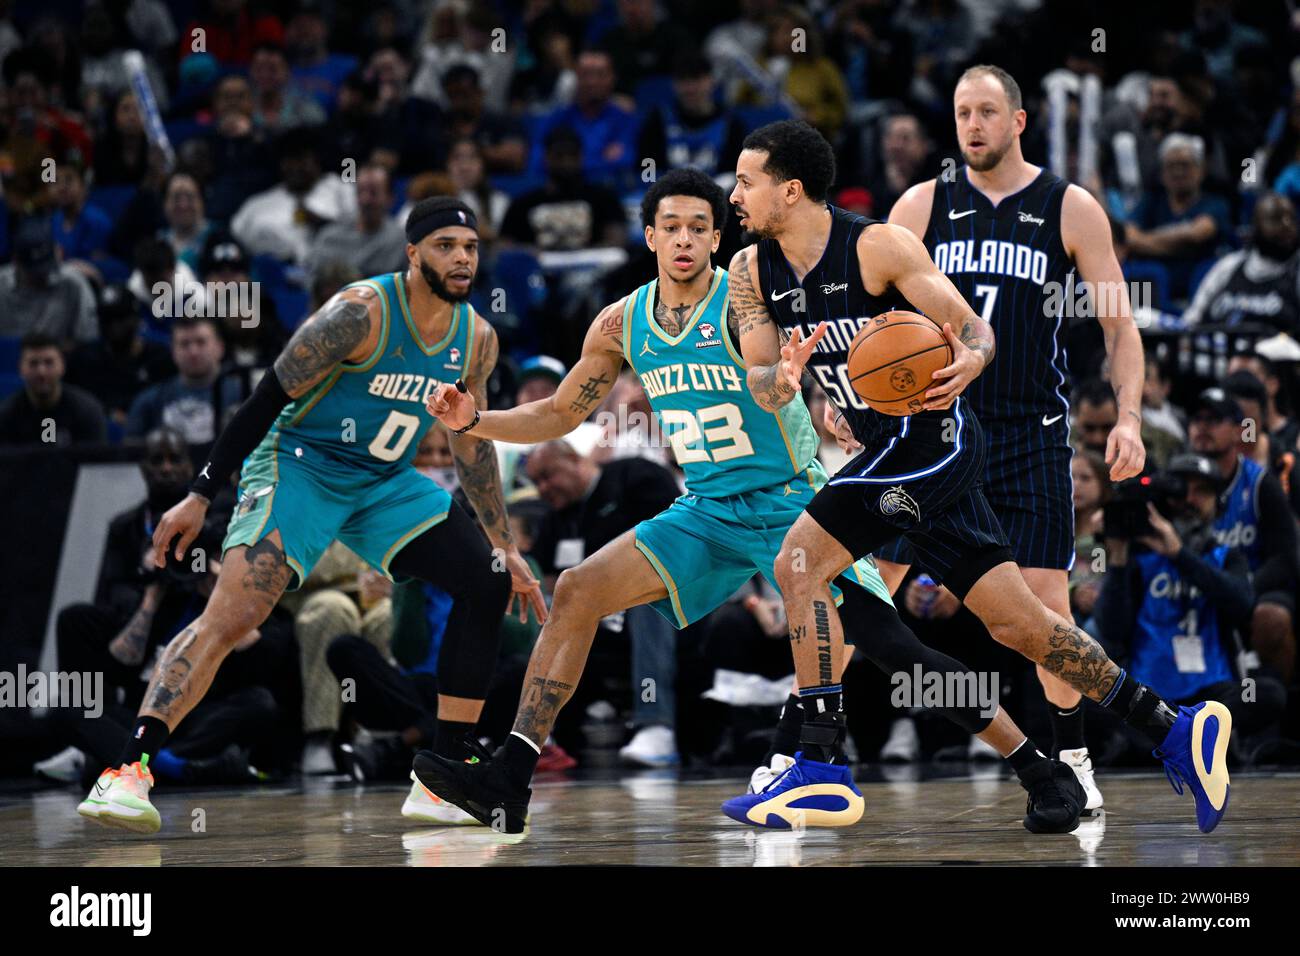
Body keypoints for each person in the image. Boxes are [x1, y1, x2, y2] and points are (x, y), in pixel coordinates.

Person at [418, 168, 1089, 835]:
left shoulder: (750, 304)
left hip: (794, 507)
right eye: (671, 227)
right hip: (707, 510)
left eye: (699, 227)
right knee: (577, 589)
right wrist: (476, 419)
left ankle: (1035, 764)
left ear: (717, 239)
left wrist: (820, 396)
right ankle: (510, 777)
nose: (684, 239)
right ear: (648, 235)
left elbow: (824, 358)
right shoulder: (620, 322)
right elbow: (563, 411)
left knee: (891, 646)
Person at [726, 117, 1233, 834]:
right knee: (1021, 625)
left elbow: (973, 329)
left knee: (800, 561)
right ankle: (1171, 728)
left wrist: (970, 358)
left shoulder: (877, 247)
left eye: (746, 181)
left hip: (934, 440)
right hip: (885, 448)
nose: (735, 195)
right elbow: (764, 385)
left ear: (791, 190)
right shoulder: (750, 272)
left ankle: (817, 765)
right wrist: (782, 380)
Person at [78, 197, 545, 834]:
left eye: (469, 248)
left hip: (382, 480)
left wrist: (505, 544)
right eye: (445, 246)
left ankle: (446, 773)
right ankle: (125, 772)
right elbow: (267, 396)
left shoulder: (477, 340)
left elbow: (469, 442)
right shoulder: (360, 313)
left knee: (487, 578)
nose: (462, 259)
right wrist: (200, 492)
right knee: (235, 614)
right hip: (299, 463)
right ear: (412, 254)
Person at [870, 64, 1149, 812]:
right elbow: (873, 327)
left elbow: (1120, 325)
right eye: (963, 112)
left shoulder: (1072, 206)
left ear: (1019, 120)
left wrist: (1128, 417)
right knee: (868, 588)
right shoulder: (920, 204)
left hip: (1028, 431)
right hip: (932, 431)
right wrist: (846, 397)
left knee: (1045, 609)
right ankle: (807, 744)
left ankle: (1074, 758)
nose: (973, 125)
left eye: (987, 111)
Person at [1096, 452, 1286, 749]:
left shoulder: (1224, 555)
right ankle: (1199, 742)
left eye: (1202, 492)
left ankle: (1169, 742)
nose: (1190, 500)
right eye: (1182, 490)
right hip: (1149, 692)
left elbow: (1242, 604)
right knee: (1085, 694)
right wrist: (1118, 560)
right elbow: (1111, 629)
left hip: (1213, 691)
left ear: (1218, 503)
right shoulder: (1139, 557)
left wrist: (1179, 555)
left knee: (1267, 693)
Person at [1188, 387, 1299, 684]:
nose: (1202, 427)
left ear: (1239, 431)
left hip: (1253, 586)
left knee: (1271, 618)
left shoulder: (1261, 484)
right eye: (1197, 419)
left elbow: (1286, 558)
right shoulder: (1177, 482)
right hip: (1190, 587)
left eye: (1214, 420)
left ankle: (1272, 710)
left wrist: (1243, 587)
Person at [1182, 192, 1300, 335]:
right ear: (1256, 226)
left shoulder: (1296, 272)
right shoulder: (1229, 266)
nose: (1286, 225)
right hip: (1220, 353)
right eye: (1276, 219)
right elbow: (1191, 321)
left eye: (1292, 219)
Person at [125, 316, 243, 445]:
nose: (193, 352)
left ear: (220, 348)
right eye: (184, 344)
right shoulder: (149, 401)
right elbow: (131, 454)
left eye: (201, 342)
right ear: (173, 351)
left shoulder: (243, 394)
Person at [0, 332, 107, 446]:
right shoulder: (6, 416)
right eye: (33, 363)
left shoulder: (87, 411)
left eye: (49, 362)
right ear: (21, 368)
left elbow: (94, 461)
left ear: (62, 366)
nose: (41, 372)